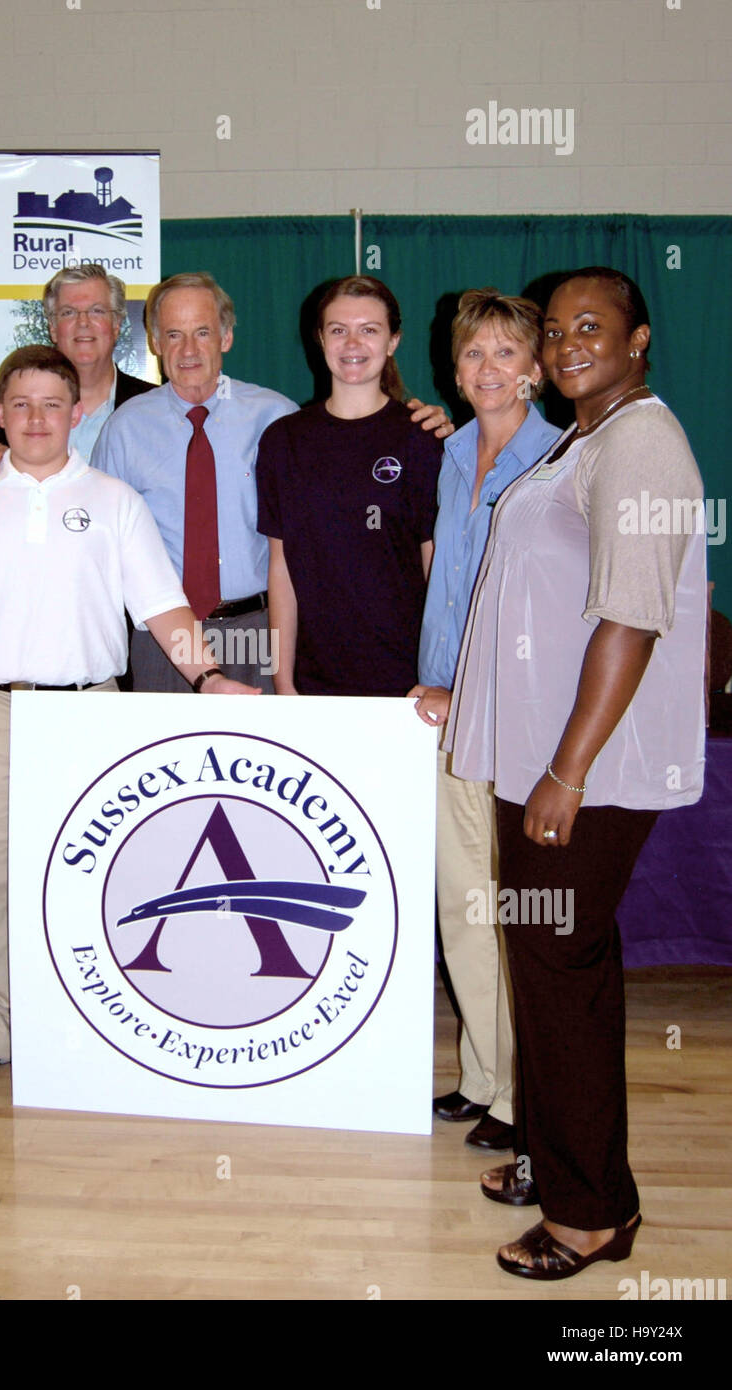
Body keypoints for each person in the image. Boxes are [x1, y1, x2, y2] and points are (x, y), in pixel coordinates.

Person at [0, 346, 259, 1086]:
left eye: (51, 404)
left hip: (85, 714)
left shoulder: (116, 502)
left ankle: (80, 1022)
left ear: (79, 412)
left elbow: (162, 606)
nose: (36, 418)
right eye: (20, 404)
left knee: (84, 876)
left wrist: (210, 674)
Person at [444, 268, 707, 1279]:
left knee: (560, 971)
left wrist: (565, 770)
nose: (563, 345)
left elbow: (631, 614)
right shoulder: (585, 436)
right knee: (552, 968)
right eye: (552, 331)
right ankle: (556, 1159)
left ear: (638, 338)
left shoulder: (639, 440)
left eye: (588, 327)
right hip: (546, 755)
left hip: (586, 764)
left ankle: (591, 1212)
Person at [91, 272, 455, 693]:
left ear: (226, 336)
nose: (188, 349)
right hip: (163, 637)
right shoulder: (124, 429)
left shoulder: (275, 418)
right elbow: (102, 549)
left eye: (203, 332)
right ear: (154, 342)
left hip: (258, 630)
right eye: (174, 334)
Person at [409, 290, 561, 1152]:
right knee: (462, 900)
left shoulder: (559, 458)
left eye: (506, 353)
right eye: (472, 355)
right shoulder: (454, 450)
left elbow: (544, 609)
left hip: (513, 716)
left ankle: (521, 1092)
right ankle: (481, 1071)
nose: (487, 370)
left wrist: (470, 692)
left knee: (509, 907)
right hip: (443, 701)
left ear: (535, 370)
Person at [256, 275, 441, 697]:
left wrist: (437, 678)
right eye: (339, 330)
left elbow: (436, 569)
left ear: (393, 341)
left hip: (407, 682)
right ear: (320, 338)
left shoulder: (422, 439)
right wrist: (284, 683)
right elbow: (281, 570)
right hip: (314, 681)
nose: (352, 344)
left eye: (369, 330)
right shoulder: (284, 441)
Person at [0, 263, 154, 468]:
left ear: (116, 326)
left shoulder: (153, 408)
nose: (83, 322)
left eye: (96, 311)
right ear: (52, 328)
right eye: (69, 312)